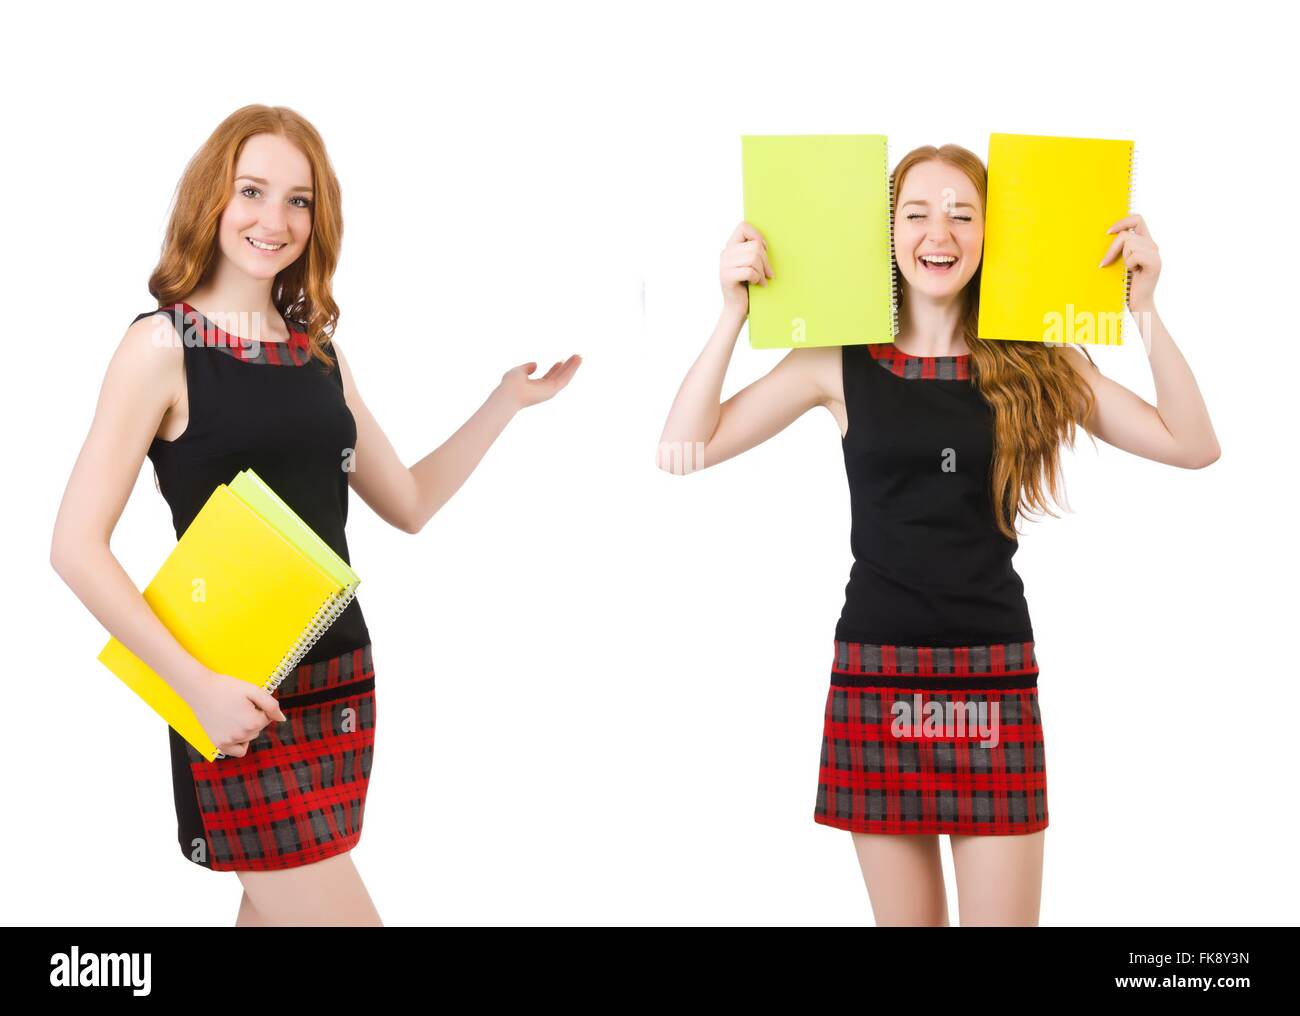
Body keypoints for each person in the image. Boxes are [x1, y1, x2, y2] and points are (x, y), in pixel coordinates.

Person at [655, 143, 1219, 926]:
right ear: (887, 232)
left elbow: (1192, 445)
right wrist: (732, 315)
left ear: (993, 232)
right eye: (916, 213)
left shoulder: (1037, 358)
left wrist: (1145, 312)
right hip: (877, 677)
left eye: (962, 213)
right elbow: (685, 448)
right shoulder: (837, 358)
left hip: (992, 674)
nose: (938, 232)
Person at [49, 104, 581, 926]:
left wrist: (504, 402)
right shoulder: (159, 347)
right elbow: (75, 547)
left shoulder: (318, 352)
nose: (275, 219)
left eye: (299, 200)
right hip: (232, 697)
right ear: (211, 199)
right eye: (253, 190)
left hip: (340, 679)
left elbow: (406, 501)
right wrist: (196, 691)